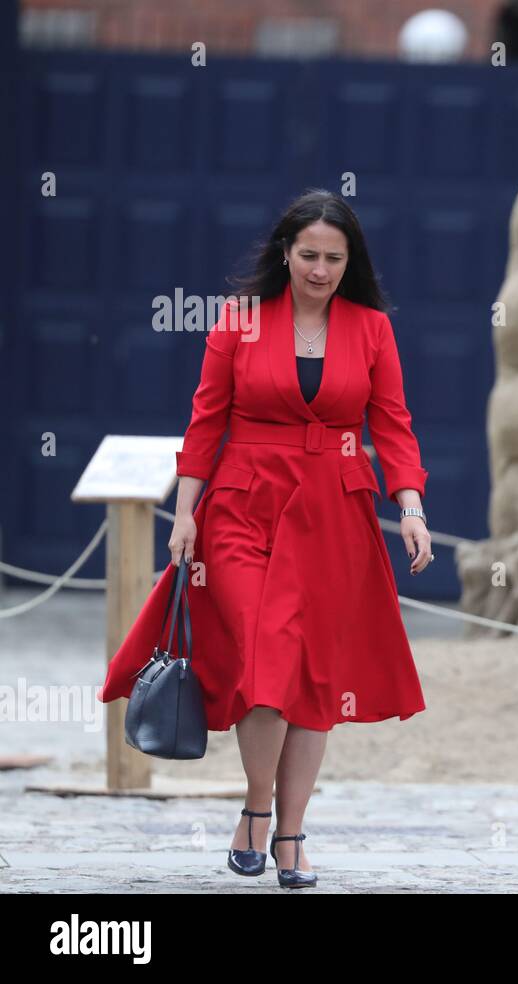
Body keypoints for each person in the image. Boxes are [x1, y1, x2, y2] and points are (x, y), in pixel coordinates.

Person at [98, 189, 435, 889]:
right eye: (308, 254)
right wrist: (186, 511)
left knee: (316, 679)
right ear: (285, 253)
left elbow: (393, 424)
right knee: (264, 655)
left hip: (334, 516)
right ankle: (257, 809)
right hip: (242, 509)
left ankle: (289, 834)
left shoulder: (371, 328)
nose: (319, 269)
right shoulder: (240, 320)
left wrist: (410, 505)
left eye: (333, 258)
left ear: (351, 261)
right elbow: (206, 421)